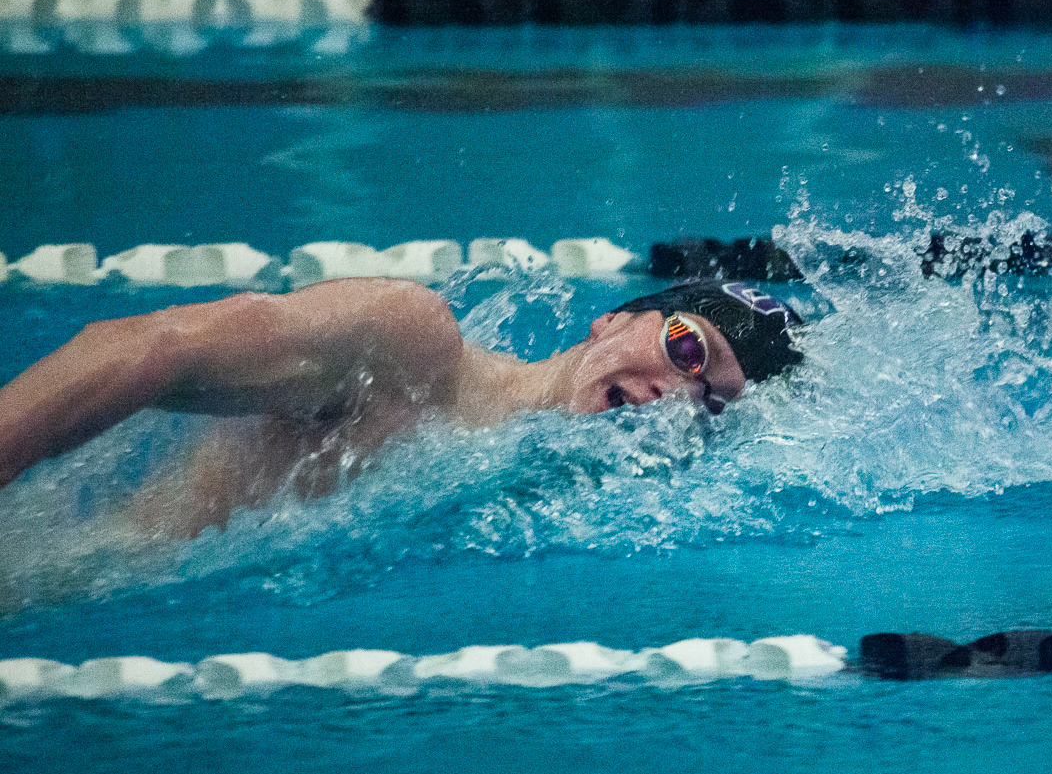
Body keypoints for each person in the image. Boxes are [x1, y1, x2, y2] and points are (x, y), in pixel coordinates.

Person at [0, 276, 802, 531]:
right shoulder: (411, 348)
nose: (675, 396)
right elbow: (153, 347)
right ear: (615, 319)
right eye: (687, 349)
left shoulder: (546, 497)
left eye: (710, 404)